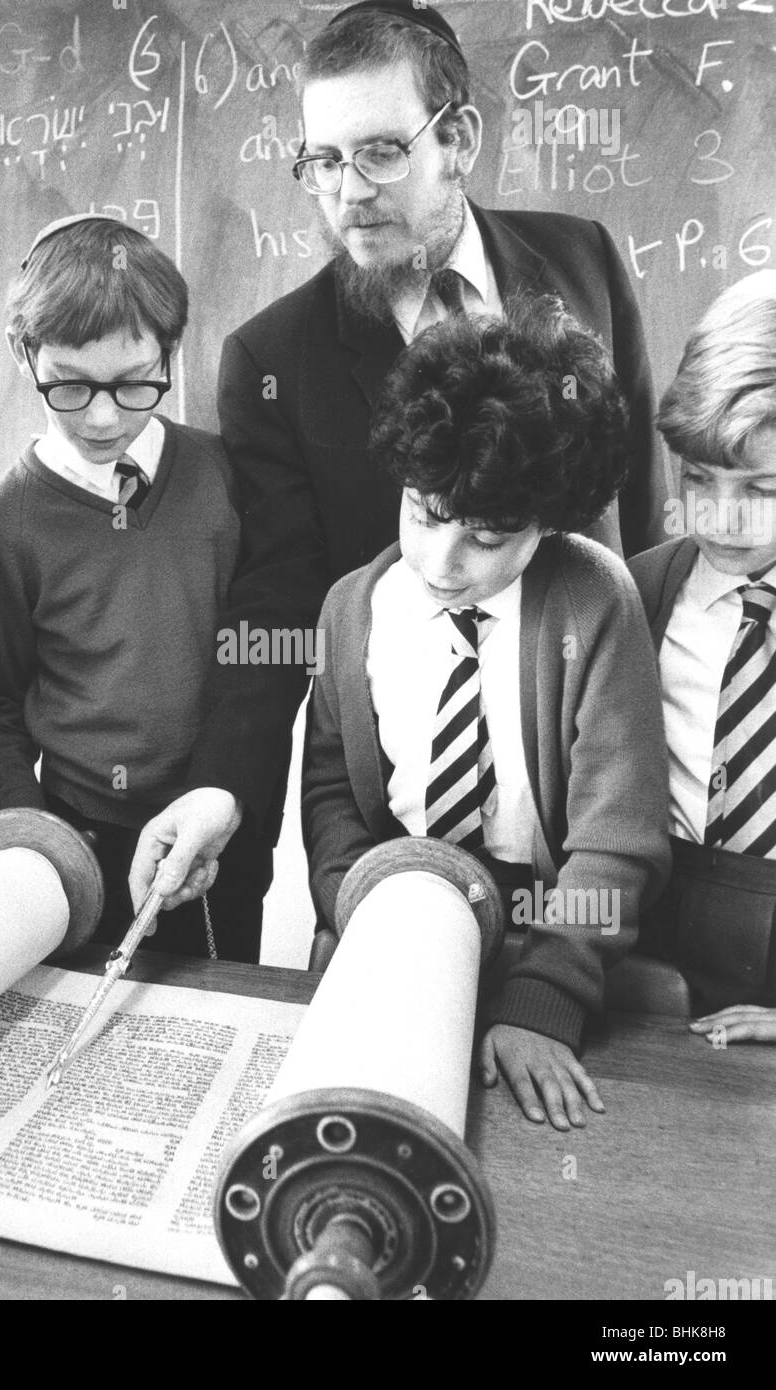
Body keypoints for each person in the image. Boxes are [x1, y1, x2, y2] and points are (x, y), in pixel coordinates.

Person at [129, 0, 668, 918]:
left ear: (456, 136)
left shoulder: (581, 259)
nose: (348, 192)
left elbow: (642, 514)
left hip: (594, 816)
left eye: (379, 152)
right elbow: (278, 600)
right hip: (410, 841)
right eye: (322, 162)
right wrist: (224, 784)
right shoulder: (274, 360)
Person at [303, 298, 670, 1128]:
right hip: (390, 929)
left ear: (549, 521)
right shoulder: (349, 611)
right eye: (425, 515)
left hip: (545, 944)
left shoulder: (594, 602)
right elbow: (330, 800)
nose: (440, 561)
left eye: (488, 537)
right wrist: (362, 912)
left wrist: (544, 997)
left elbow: (618, 841)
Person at [0, 215, 270, 962]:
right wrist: (38, 842)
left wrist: (229, 793)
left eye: (135, 384)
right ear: (22, 352)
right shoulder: (0, 527)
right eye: (69, 386)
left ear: (171, 351)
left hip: (221, 821)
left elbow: (260, 658)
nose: (103, 417)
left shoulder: (225, 473)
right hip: (86, 834)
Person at [630, 269, 776, 1045]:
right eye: (696, 479)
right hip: (652, 964)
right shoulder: (636, 593)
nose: (721, 516)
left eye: (763, 487)